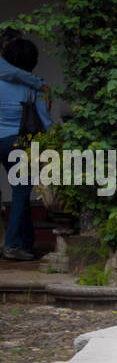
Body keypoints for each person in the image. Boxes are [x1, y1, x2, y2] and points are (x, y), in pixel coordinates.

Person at [0, 36, 52, 260]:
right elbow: (45, 122)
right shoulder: (36, 88)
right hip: (18, 143)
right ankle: (12, 245)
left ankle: (25, 242)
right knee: (21, 191)